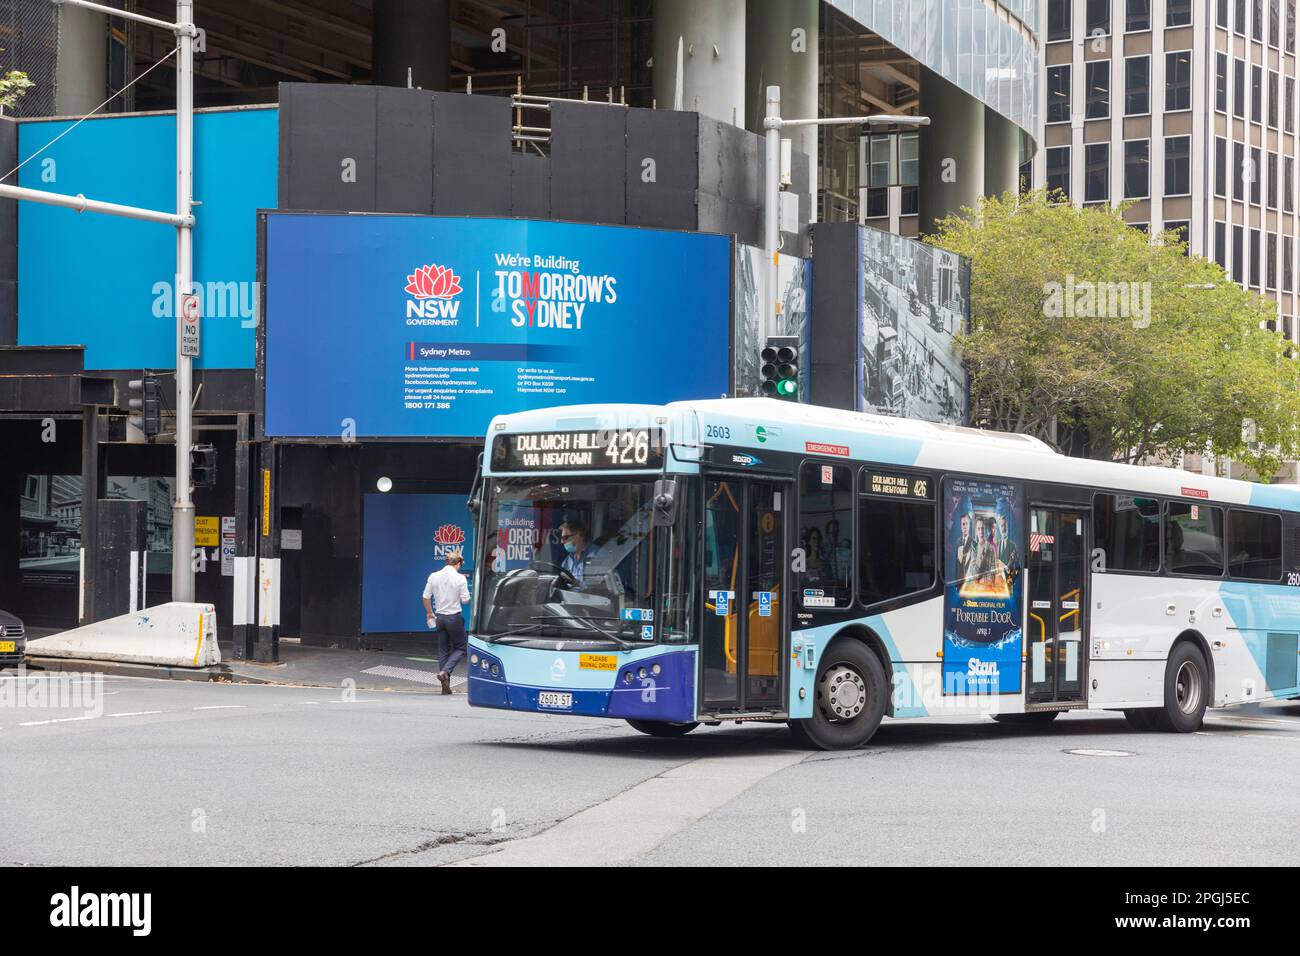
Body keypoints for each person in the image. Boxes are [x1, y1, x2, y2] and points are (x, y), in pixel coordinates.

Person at [422, 550, 471, 695]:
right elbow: (465, 600)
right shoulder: (460, 578)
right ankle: (445, 671)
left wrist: (430, 612)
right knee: (461, 648)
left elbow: (425, 597)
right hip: (454, 617)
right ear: (459, 563)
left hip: (440, 618)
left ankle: (445, 685)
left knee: (443, 650)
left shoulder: (433, 576)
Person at [559, 520, 600, 585]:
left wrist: (576, 584)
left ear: (578, 535)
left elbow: (599, 586)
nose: (562, 541)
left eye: (565, 537)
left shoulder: (597, 555)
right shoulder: (568, 560)